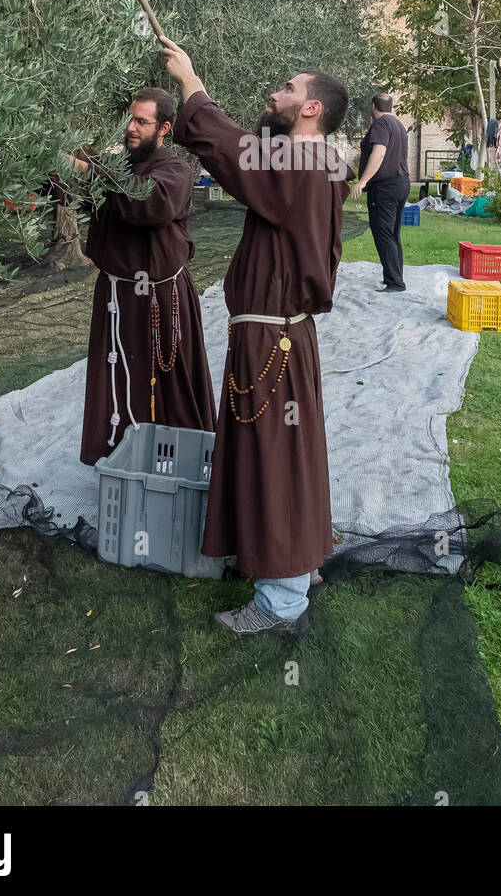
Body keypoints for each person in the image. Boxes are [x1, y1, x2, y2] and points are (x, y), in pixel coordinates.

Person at [162, 36, 352, 638]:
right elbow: (253, 156)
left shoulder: (306, 164)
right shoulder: (313, 165)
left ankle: (283, 599)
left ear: (313, 108)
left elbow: (237, 155)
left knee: (276, 460)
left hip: (274, 343)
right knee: (281, 457)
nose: (278, 92)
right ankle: (296, 563)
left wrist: (191, 84)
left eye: (291, 88)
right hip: (276, 337)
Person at [69, 88, 216, 467]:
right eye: (129, 119)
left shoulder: (175, 171)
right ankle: (121, 455)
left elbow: (148, 203)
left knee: (169, 380)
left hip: (161, 299)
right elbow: (72, 189)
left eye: (141, 122)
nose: (131, 128)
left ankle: (180, 456)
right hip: (117, 296)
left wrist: (89, 170)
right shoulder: (119, 168)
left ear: (164, 127)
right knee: (118, 376)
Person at [351, 92, 410, 293]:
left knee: (383, 232)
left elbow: (380, 152)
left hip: (385, 188)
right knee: (392, 233)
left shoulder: (381, 125)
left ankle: (395, 282)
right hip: (401, 184)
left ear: (373, 106)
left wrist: (363, 181)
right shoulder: (399, 126)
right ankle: (394, 278)